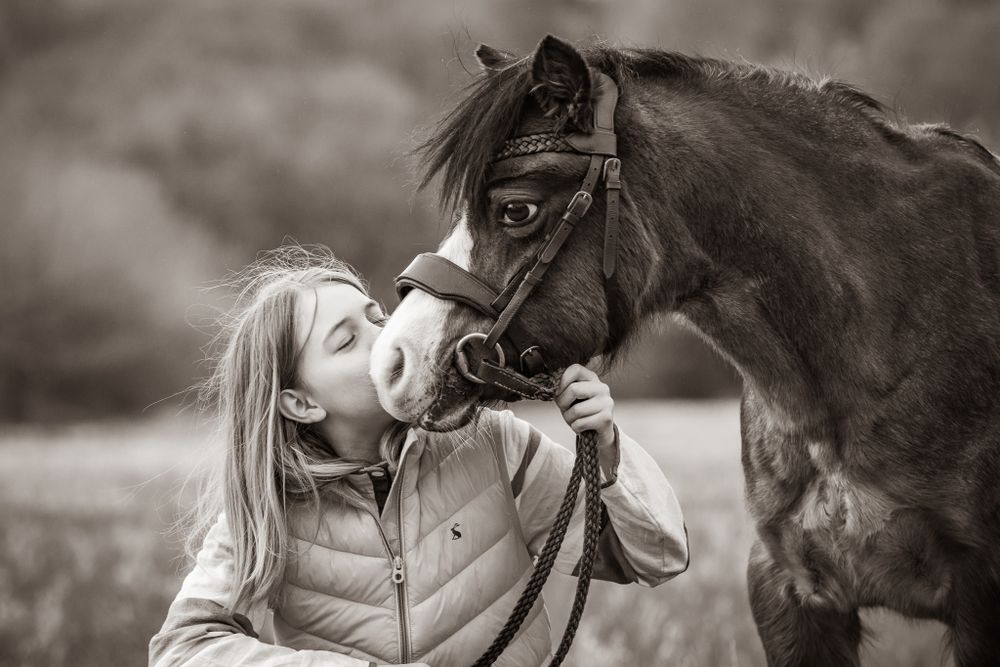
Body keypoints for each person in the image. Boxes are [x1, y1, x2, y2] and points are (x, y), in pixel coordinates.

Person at [149, 245, 689, 667]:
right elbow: (183, 650)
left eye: (377, 317)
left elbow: (652, 557)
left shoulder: (493, 444)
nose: (386, 337)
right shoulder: (268, 506)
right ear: (301, 403)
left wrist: (607, 449)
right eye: (346, 341)